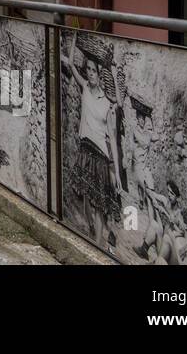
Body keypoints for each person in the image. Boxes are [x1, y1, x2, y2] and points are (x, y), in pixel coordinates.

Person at [62, 42, 120, 248]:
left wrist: (118, 176)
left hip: (100, 157)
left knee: (98, 205)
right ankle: (98, 231)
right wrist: (74, 38)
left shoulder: (107, 104)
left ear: (99, 74)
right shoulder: (85, 87)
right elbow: (69, 64)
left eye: (93, 71)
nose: (90, 74)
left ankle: (98, 246)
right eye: (88, 70)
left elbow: (112, 139)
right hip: (85, 149)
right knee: (85, 197)